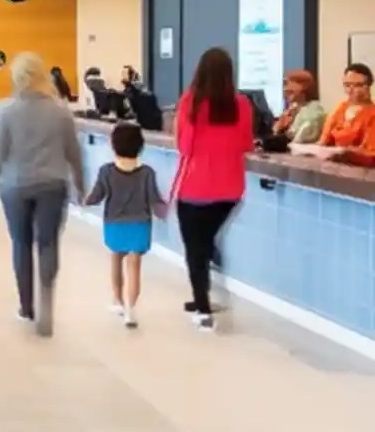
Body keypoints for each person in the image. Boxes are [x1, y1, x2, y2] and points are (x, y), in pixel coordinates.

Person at [0, 52, 84, 337]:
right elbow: (74, 153)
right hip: (52, 184)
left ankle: (26, 307)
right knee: (48, 243)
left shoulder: (7, 110)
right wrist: (81, 183)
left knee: (21, 243)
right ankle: (46, 301)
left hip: (14, 186)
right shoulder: (61, 111)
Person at [172, 47, 253, 331]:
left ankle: (202, 307)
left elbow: (183, 146)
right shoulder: (241, 104)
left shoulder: (190, 102)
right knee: (204, 244)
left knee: (194, 250)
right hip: (230, 190)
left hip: (194, 188)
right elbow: (246, 144)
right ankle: (201, 297)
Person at [82, 123, 166, 329]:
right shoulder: (147, 173)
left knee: (116, 257)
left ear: (113, 146)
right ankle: (131, 310)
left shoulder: (106, 171)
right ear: (141, 146)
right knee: (135, 263)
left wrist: (83, 200)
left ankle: (117, 299)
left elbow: (96, 196)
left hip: (114, 223)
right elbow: (155, 199)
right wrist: (163, 210)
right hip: (140, 223)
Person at [319, 63, 375, 162]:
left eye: (358, 85)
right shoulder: (341, 108)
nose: (350, 90)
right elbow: (324, 140)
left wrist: (348, 153)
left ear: (369, 86)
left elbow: (371, 153)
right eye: (347, 85)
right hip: (334, 163)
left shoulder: (372, 113)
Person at [273, 69, 327, 144]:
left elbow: (298, 141)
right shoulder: (295, 109)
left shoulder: (314, 111)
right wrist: (278, 128)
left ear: (304, 86)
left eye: (288, 83)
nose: (285, 89)